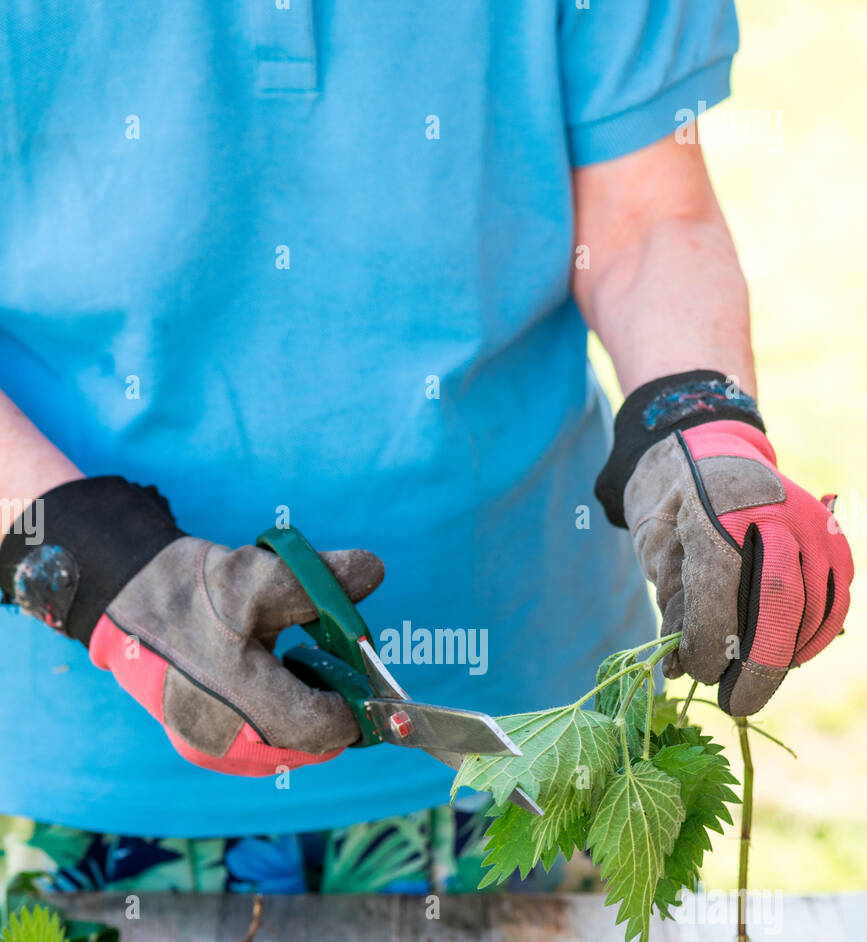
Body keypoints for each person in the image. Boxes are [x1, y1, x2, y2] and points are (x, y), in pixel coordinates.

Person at [0, 2, 852, 896]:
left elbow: (647, 220)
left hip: (539, 722)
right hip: (76, 759)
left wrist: (701, 423)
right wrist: (86, 563)